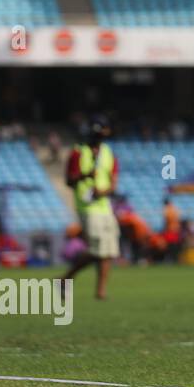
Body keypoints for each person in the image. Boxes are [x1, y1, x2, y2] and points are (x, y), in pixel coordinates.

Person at [59, 116, 120, 300]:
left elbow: (114, 180)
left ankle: (100, 291)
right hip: (87, 206)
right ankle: (66, 278)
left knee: (109, 250)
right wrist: (85, 175)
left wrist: (104, 191)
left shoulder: (109, 152)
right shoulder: (78, 152)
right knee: (97, 249)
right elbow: (69, 181)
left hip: (105, 205)